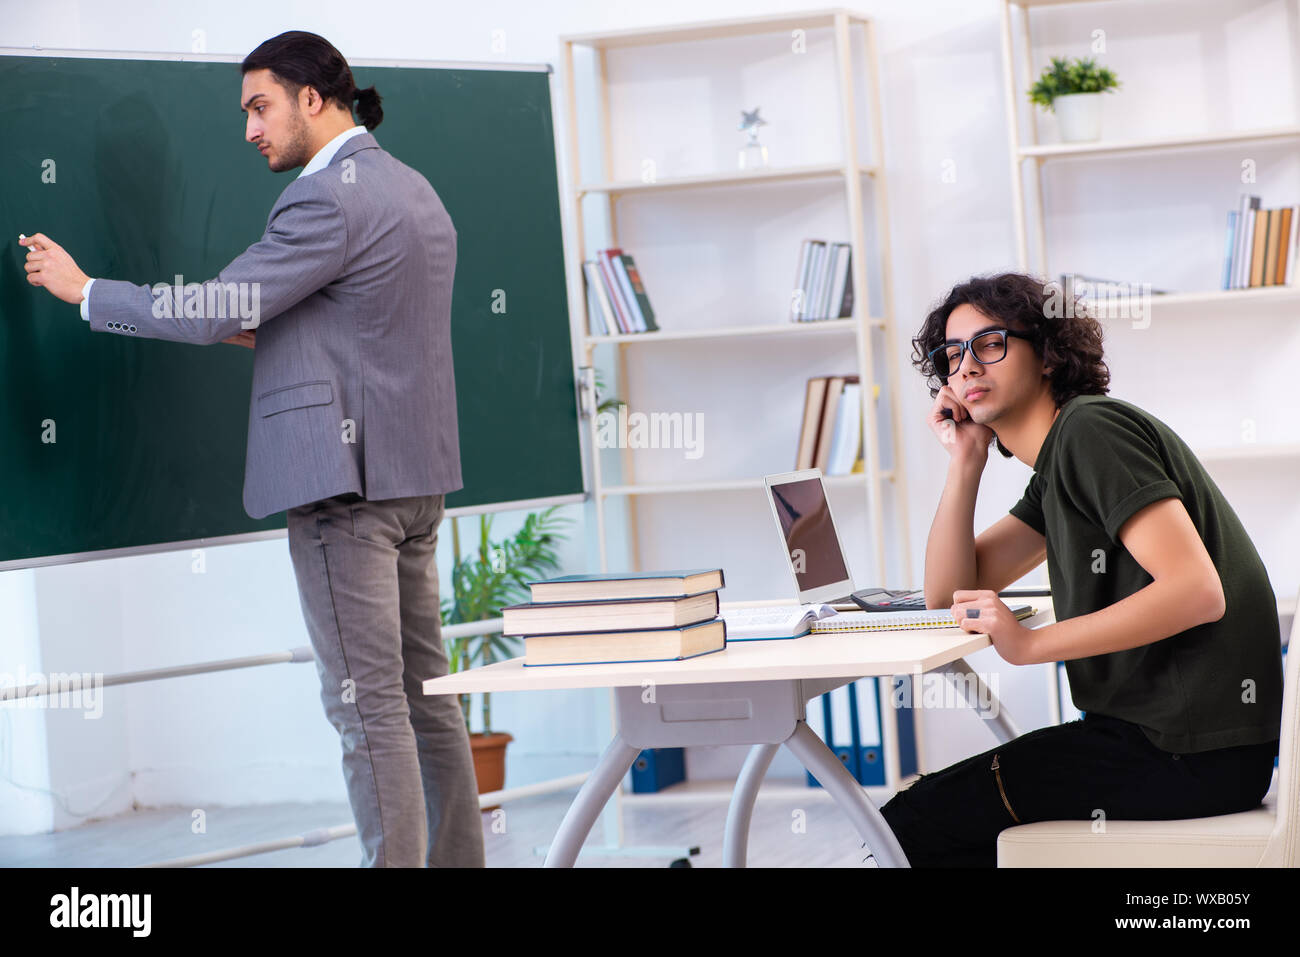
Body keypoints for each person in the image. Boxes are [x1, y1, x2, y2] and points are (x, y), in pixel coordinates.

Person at [20, 30, 483, 868]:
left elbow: (213, 308)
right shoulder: (415, 191)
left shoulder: (324, 198)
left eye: (258, 106)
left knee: (366, 707)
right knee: (424, 698)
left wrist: (89, 292)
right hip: (414, 482)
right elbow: (323, 329)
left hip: (345, 493)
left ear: (314, 98)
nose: (248, 129)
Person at [878, 272, 1283, 867]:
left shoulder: (1089, 432)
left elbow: (1197, 593)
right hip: (1175, 747)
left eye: (989, 344)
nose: (965, 368)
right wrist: (966, 461)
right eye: (952, 353)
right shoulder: (1058, 468)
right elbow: (948, 591)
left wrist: (1030, 643)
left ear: (1046, 352)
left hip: (1185, 752)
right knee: (925, 815)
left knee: (911, 822)